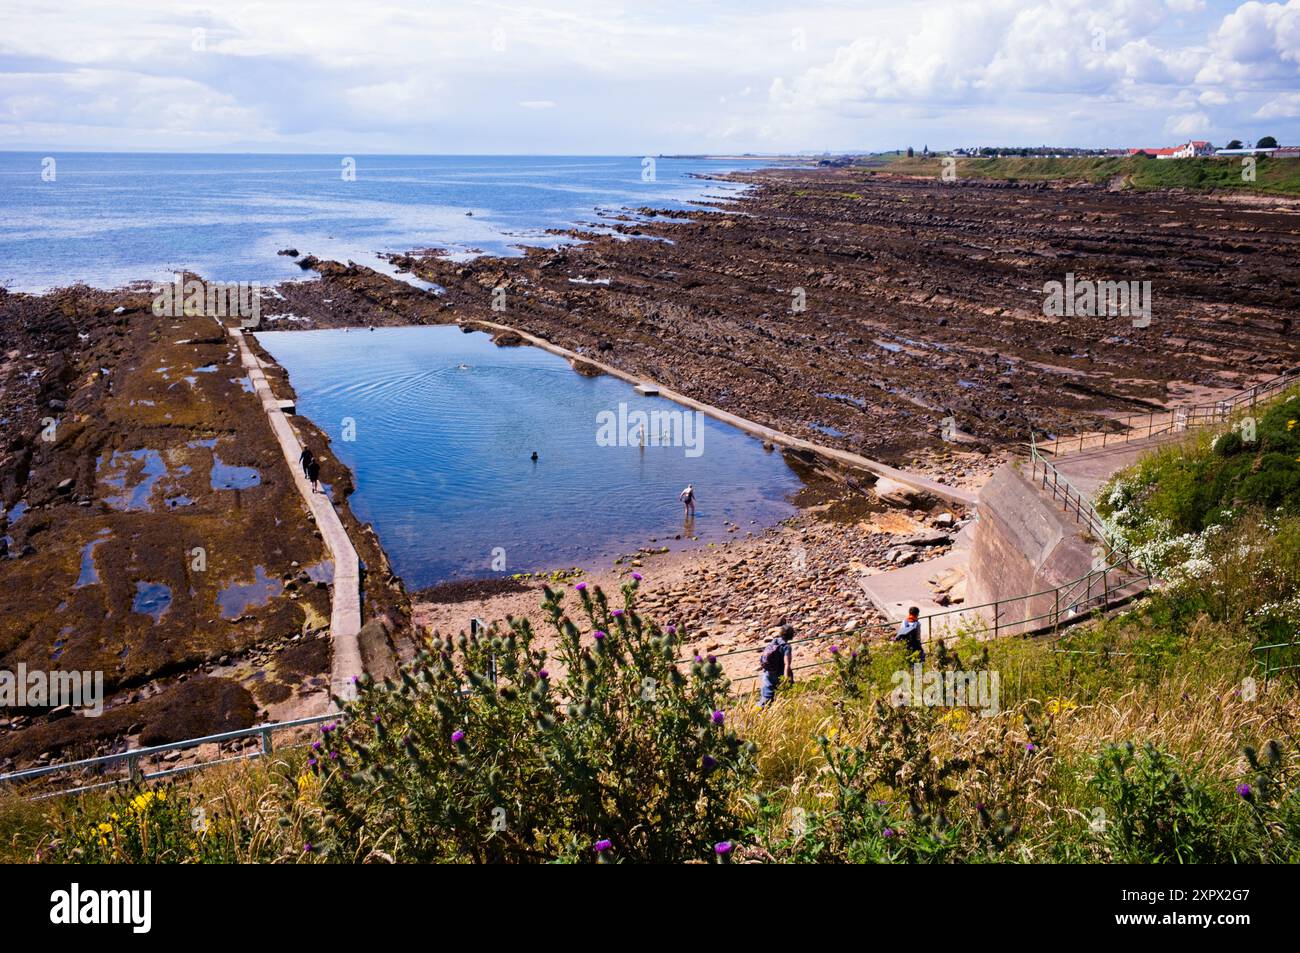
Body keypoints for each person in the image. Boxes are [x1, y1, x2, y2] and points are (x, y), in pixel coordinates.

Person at [758, 623, 794, 706]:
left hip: (768, 672)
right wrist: (785, 678)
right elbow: (787, 664)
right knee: (785, 697)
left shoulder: (774, 641)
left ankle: (756, 713)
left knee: (765, 698)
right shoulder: (786, 646)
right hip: (779, 673)